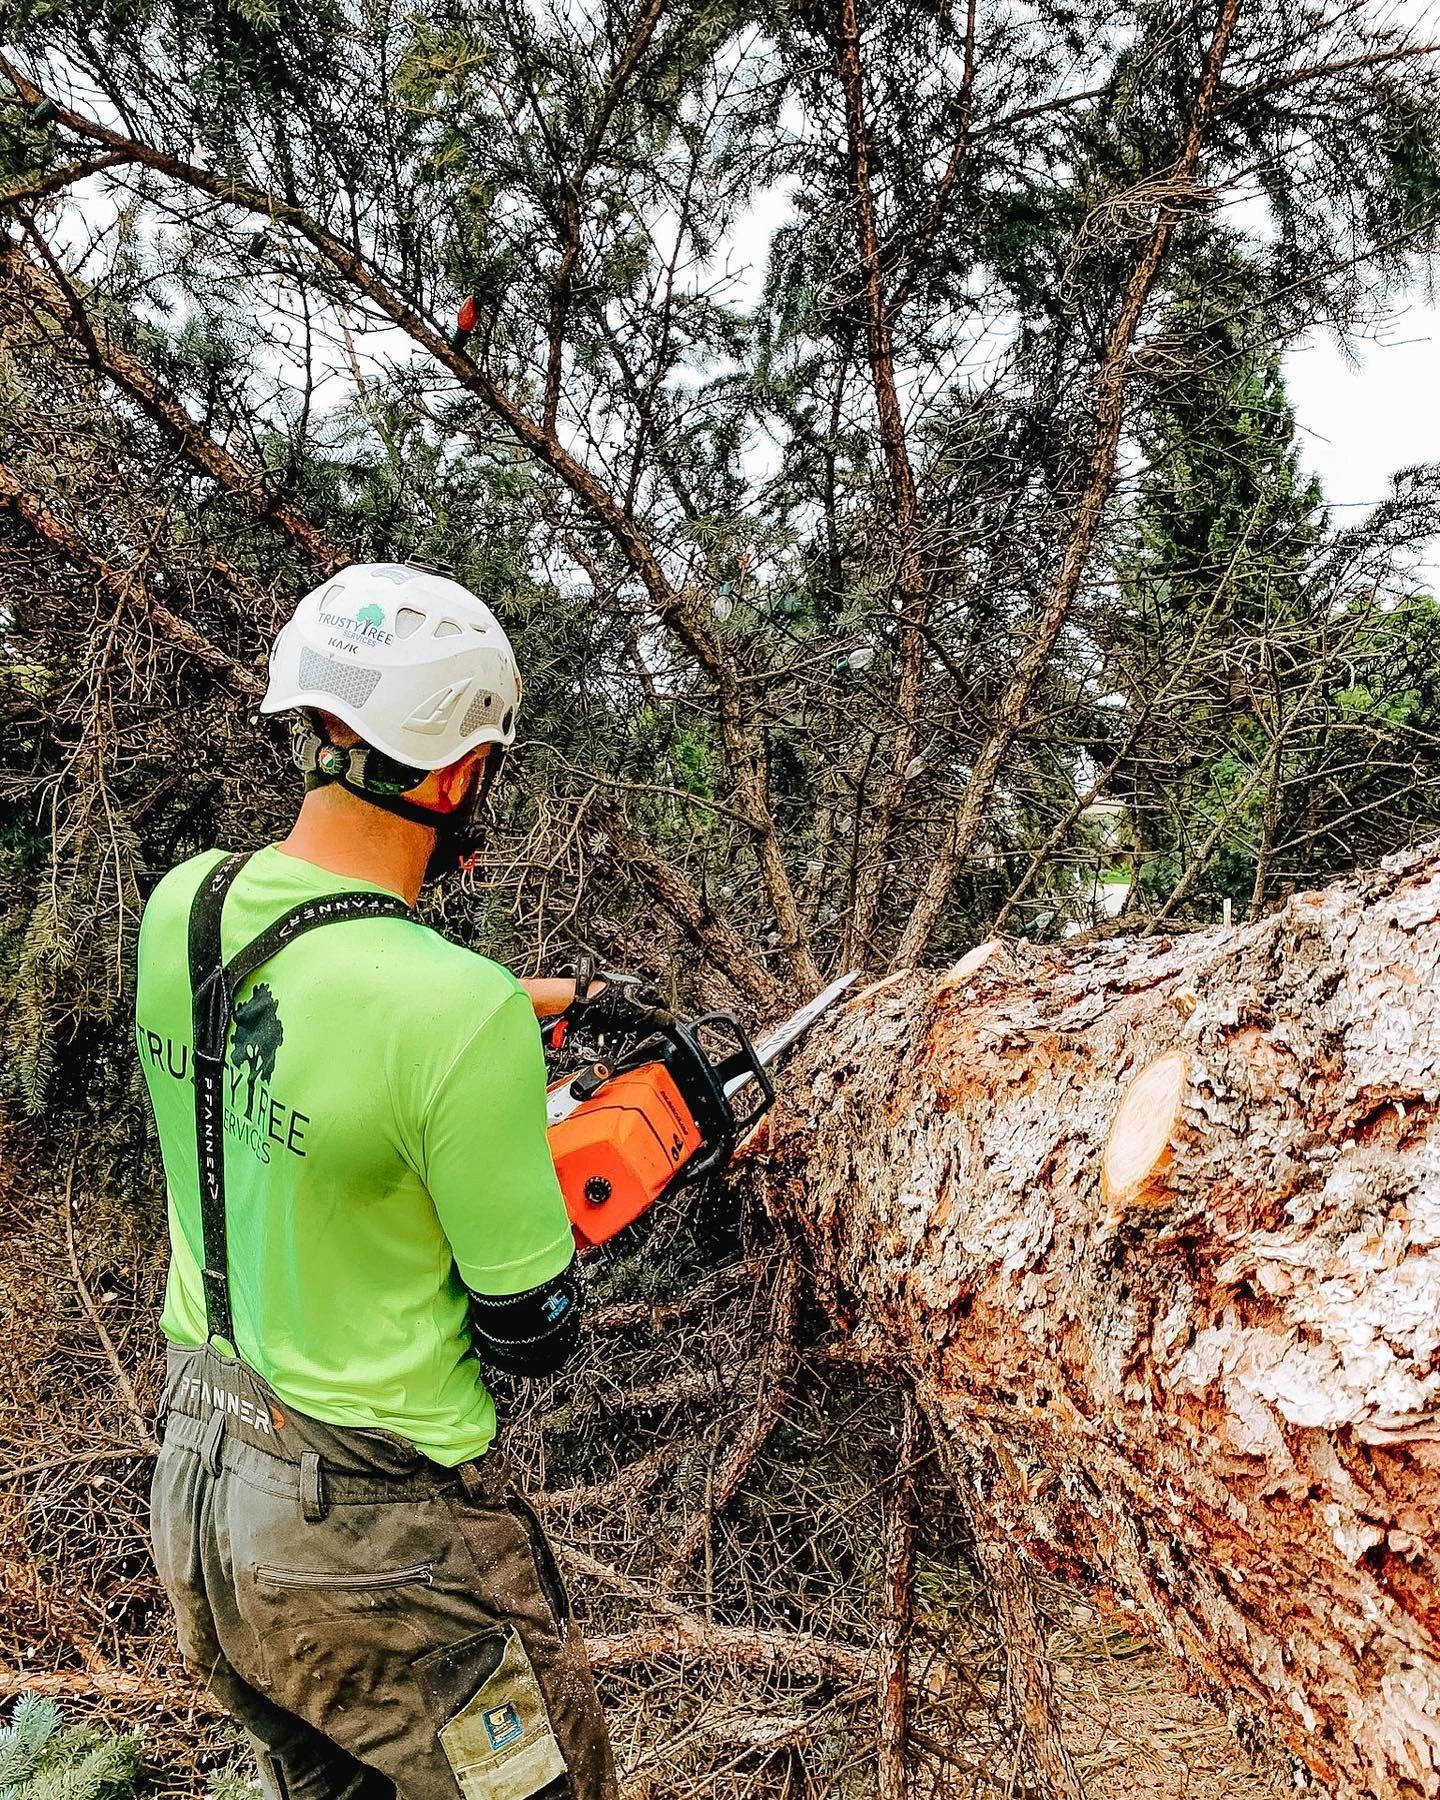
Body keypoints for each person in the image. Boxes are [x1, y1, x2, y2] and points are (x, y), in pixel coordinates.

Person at [134, 561, 619, 1800]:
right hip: (380, 1550)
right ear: (457, 774)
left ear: (315, 722)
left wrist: (500, 1015)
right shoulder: (455, 1014)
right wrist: (514, 1115)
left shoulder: (186, 903)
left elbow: (307, 1008)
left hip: (206, 1502)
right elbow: (531, 1333)